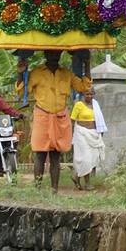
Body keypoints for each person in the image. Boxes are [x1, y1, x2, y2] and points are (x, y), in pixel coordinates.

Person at [29, 50, 82, 191]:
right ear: (45, 54)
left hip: (60, 118)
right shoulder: (36, 73)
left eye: (57, 53)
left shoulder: (67, 73)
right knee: (39, 154)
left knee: (55, 155)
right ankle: (37, 189)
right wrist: (19, 72)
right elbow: (23, 91)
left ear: (60, 55)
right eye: (51, 53)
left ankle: (54, 189)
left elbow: (83, 87)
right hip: (42, 116)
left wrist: (87, 64)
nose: (54, 55)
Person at [69, 86, 106, 190]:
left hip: (94, 134)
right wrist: (70, 135)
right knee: (86, 158)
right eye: (87, 94)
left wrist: (101, 133)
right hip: (81, 134)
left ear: (93, 94)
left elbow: (100, 120)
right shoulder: (79, 105)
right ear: (83, 94)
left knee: (93, 157)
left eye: (91, 94)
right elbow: (72, 120)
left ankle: (76, 176)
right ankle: (87, 183)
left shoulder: (96, 105)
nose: (89, 96)